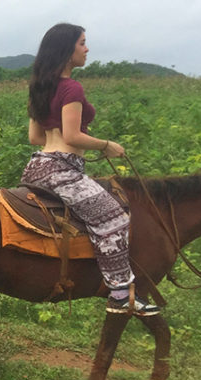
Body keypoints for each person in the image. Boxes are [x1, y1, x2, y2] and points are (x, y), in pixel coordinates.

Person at [21, 23, 159, 316]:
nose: (87, 49)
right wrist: (107, 145)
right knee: (114, 218)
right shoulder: (71, 87)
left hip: (37, 166)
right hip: (62, 169)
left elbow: (35, 138)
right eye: (82, 43)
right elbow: (72, 137)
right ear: (67, 50)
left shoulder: (39, 85)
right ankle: (121, 293)